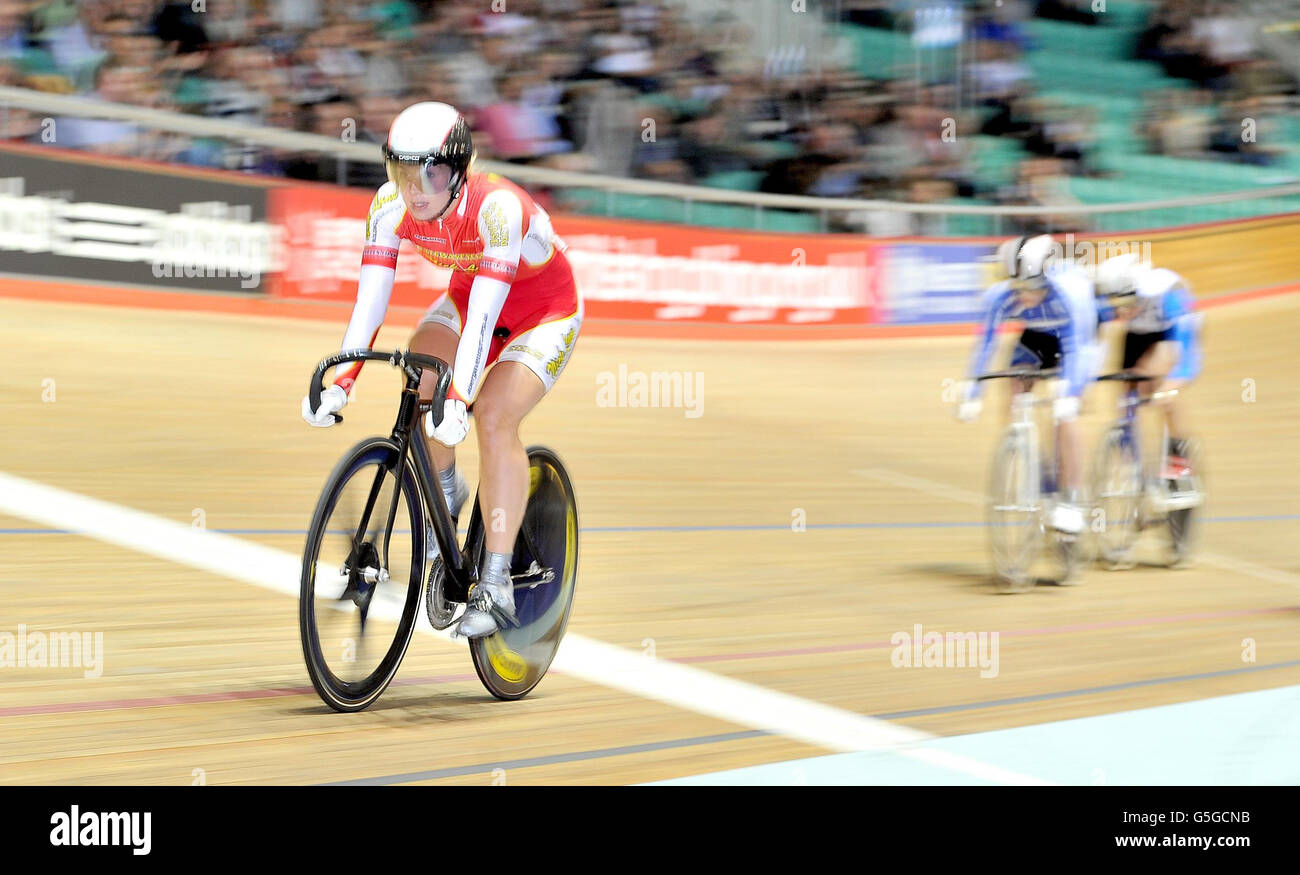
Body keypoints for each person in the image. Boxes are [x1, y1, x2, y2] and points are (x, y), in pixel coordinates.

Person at [301, 101, 583, 640]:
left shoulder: (497, 208)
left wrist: (460, 400)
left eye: (428, 173)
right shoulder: (388, 206)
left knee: (493, 416)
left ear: (458, 170)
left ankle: (497, 581)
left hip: (543, 312)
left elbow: (483, 320)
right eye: (402, 171)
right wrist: (341, 381)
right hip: (471, 296)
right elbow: (370, 303)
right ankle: (447, 492)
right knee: (421, 373)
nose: (414, 189)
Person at [957, 234, 1099, 535]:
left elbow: (1079, 348)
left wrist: (1071, 393)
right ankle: (1037, 467)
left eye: (1032, 287)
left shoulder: (1069, 294)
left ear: (1047, 277)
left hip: (1075, 339)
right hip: (1036, 335)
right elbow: (986, 344)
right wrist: (973, 392)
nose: (1024, 295)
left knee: (1066, 413)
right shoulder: (999, 296)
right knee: (1013, 385)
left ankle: (1072, 498)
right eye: (1017, 287)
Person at [1094, 253, 1202, 482]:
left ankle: (1179, 458)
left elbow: (1186, 357)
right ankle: (1132, 462)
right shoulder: (1111, 295)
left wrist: (1170, 386)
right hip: (1138, 333)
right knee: (1126, 390)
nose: (1121, 312)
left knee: (1158, 383)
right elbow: (1092, 338)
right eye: (1116, 305)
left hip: (1168, 332)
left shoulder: (1167, 294)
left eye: (1126, 304)